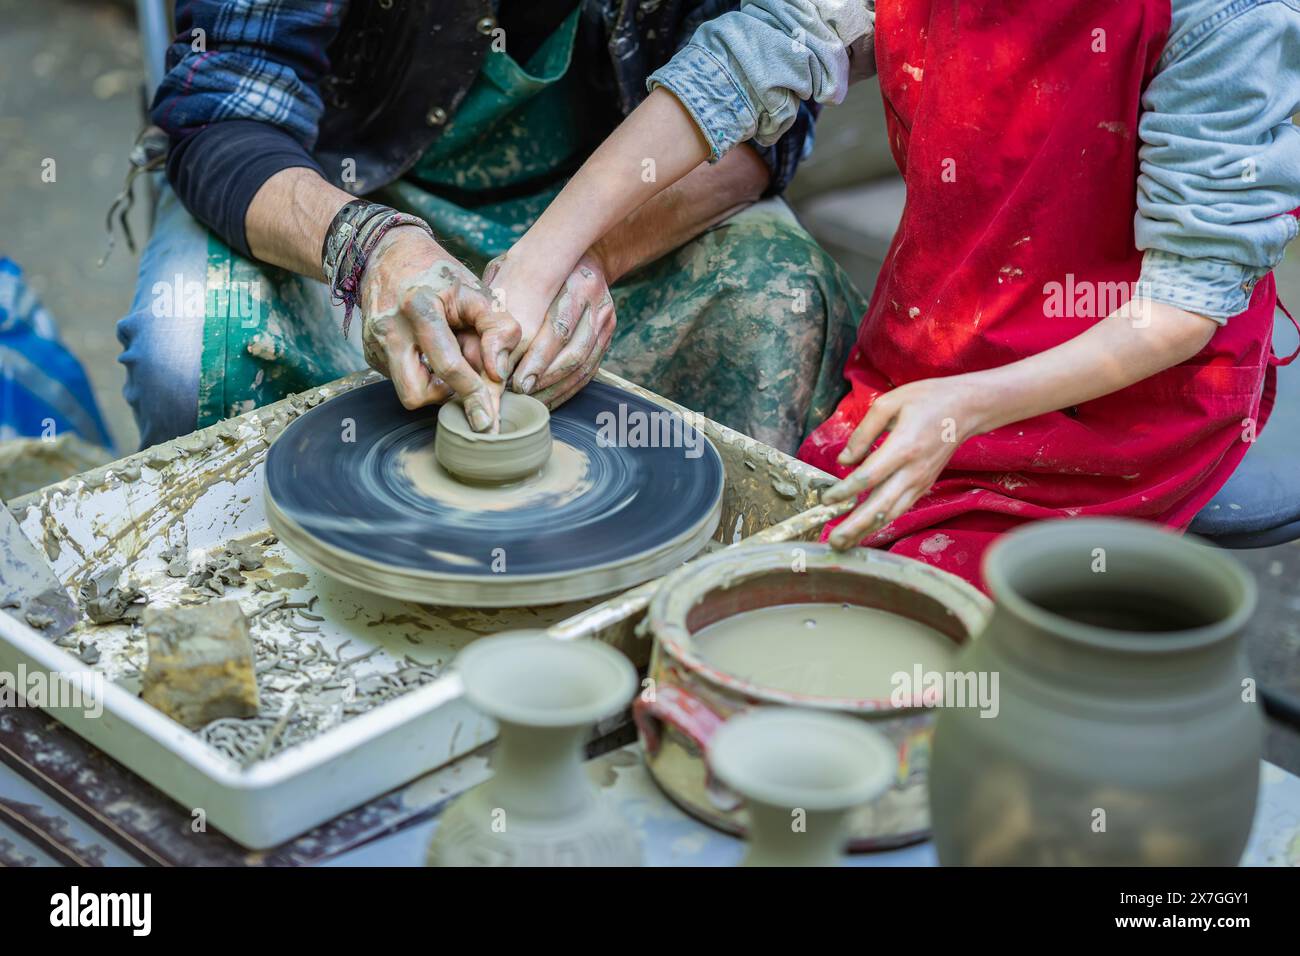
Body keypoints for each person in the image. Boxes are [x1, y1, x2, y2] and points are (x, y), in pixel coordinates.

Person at [488, 0, 1300, 587]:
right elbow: (747, 57)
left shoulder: (1226, 16)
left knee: (880, 622)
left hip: (1128, 391)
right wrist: (547, 258)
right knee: (774, 561)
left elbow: (1186, 302)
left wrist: (966, 405)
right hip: (945, 332)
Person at [118, 0, 868, 453]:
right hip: (339, 189)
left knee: (783, 300)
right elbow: (223, 113)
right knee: (188, 348)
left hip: (625, 206)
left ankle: (674, 649)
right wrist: (368, 249)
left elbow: (765, 112)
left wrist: (594, 251)